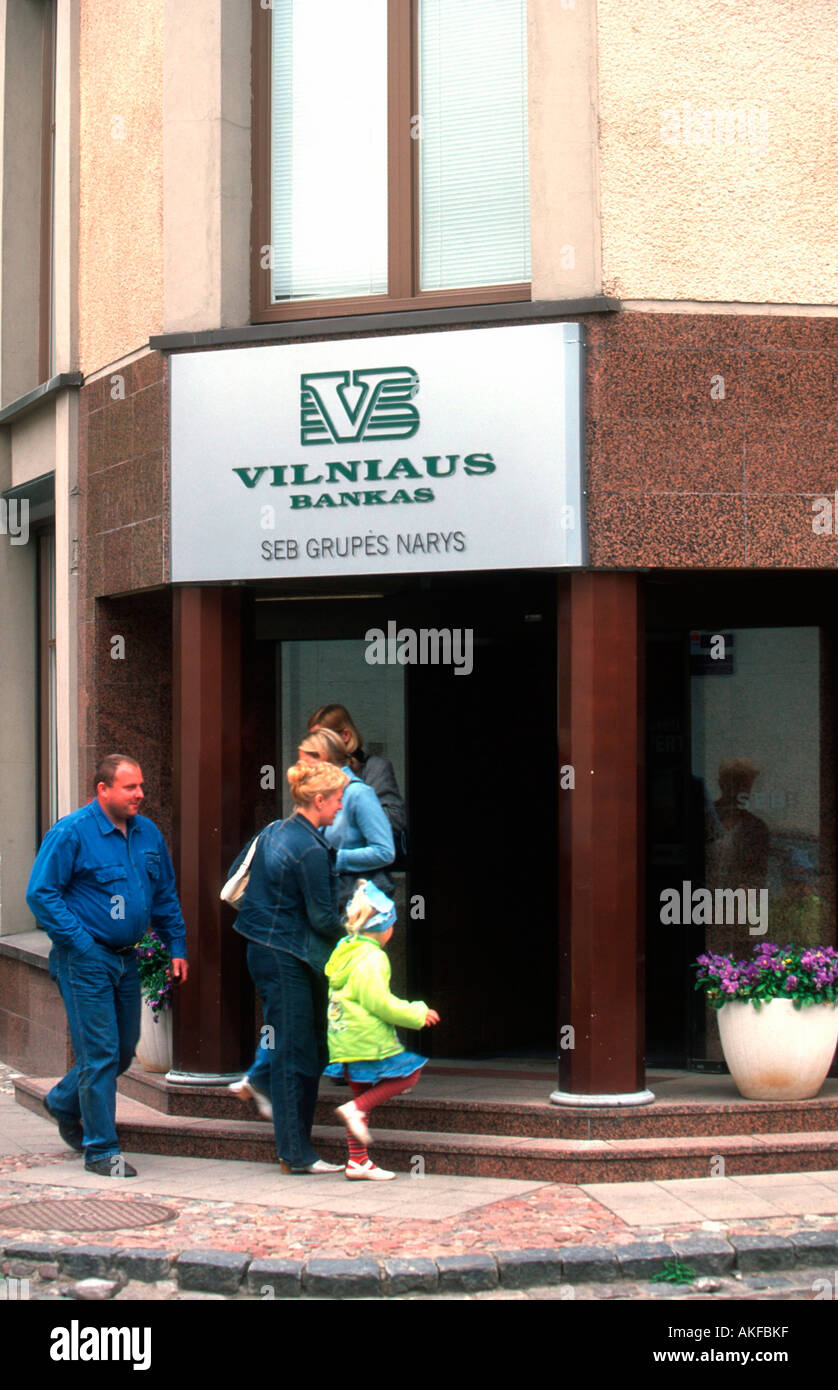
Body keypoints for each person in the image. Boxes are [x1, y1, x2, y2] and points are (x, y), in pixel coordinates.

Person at [25, 755, 189, 1177]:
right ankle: (101, 1150)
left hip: (127, 958)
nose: (140, 794)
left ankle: (63, 1101)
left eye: (141, 786)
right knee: (99, 1054)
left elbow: (165, 894)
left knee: (121, 1053)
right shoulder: (71, 833)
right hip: (85, 961)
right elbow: (41, 894)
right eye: (130, 787)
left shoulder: (148, 833)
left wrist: (177, 946)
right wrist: (79, 942)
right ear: (103, 790)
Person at [232, 759, 349, 1173]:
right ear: (318, 800)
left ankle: (295, 1148)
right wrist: (359, 930)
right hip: (289, 957)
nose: (340, 808)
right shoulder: (310, 849)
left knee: (302, 1049)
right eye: (337, 800)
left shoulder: (275, 831)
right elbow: (322, 919)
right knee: (297, 1052)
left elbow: (239, 880)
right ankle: (296, 1152)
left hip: (267, 949)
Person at [324, 880, 439, 1180]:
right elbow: (380, 1003)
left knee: (361, 1094)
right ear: (383, 927)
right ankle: (355, 1110)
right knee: (408, 1074)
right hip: (369, 1040)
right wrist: (418, 1012)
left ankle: (357, 1161)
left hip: (344, 1039)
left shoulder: (345, 949)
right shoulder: (374, 957)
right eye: (392, 926)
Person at [305, 713, 396, 907]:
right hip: (326, 900)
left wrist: (334, 859)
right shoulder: (319, 793)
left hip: (355, 904)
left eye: (310, 757)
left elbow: (385, 852)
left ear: (326, 757)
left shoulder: (358, 793)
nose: (302, 766)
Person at [308, 704, 407, 841]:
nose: (315, 746)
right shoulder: (317, 772)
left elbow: (394, 820)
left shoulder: (374, 767)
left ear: (345, 735)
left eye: (322, 739)